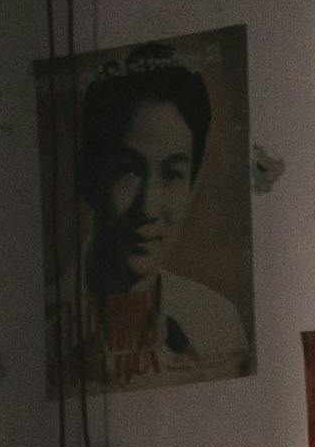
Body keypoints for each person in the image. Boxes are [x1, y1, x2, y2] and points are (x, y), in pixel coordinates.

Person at [61, 55, 249, 388]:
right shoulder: (45, 329)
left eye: (172, 173)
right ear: (89, 177)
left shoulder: (218, 325)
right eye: (128, 170)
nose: (148, 207)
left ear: (192, 184)